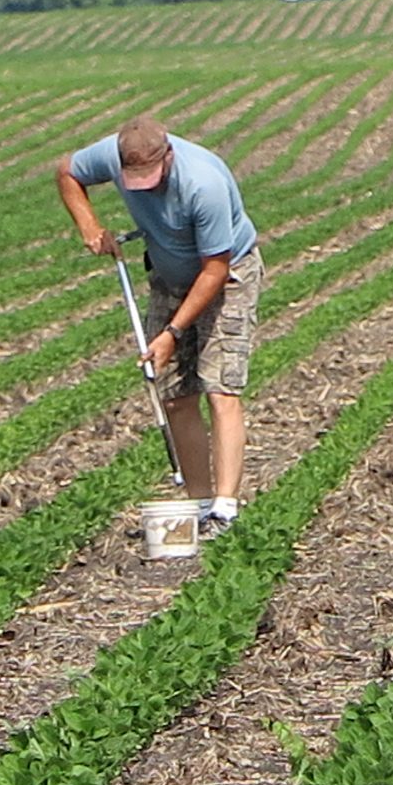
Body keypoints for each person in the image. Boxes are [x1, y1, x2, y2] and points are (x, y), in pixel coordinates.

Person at [56, 113, 263, 533]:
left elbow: (215, 269)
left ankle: (225, 509)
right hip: (169, 277)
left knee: (220, 388)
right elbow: (66, 171)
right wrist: (89, 225)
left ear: (167, 155)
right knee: (173, 394)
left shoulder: (203, 184)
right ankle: (199, 507)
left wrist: (172, 333)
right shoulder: (111, 154)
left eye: (151, 177)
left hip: (227, 276)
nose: (144, 187)